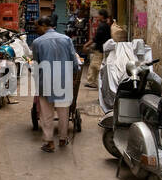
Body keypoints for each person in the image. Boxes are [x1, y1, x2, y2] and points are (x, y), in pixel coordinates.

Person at [30, 14, 80, 152]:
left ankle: (49, 142)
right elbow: (75, 63)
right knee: (64, 111)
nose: (36, 30)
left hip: (45, 80)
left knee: (46, 114)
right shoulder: (66, 39)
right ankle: (63, 139)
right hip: (64, 80)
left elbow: (36, 64)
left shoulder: (37, 42)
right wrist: (73, 75)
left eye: (37, 27)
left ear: (44, 26)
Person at [83, 9, 112, 87]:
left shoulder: (102, 26)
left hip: (100, 49)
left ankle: (99, 82)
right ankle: (93, 81)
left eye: (99, 15)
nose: (97, 16)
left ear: (102, 16)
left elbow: (95, 38)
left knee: (95, 65)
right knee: (94, 65)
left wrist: (86, 45)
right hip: (102, 48)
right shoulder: (106, 25)